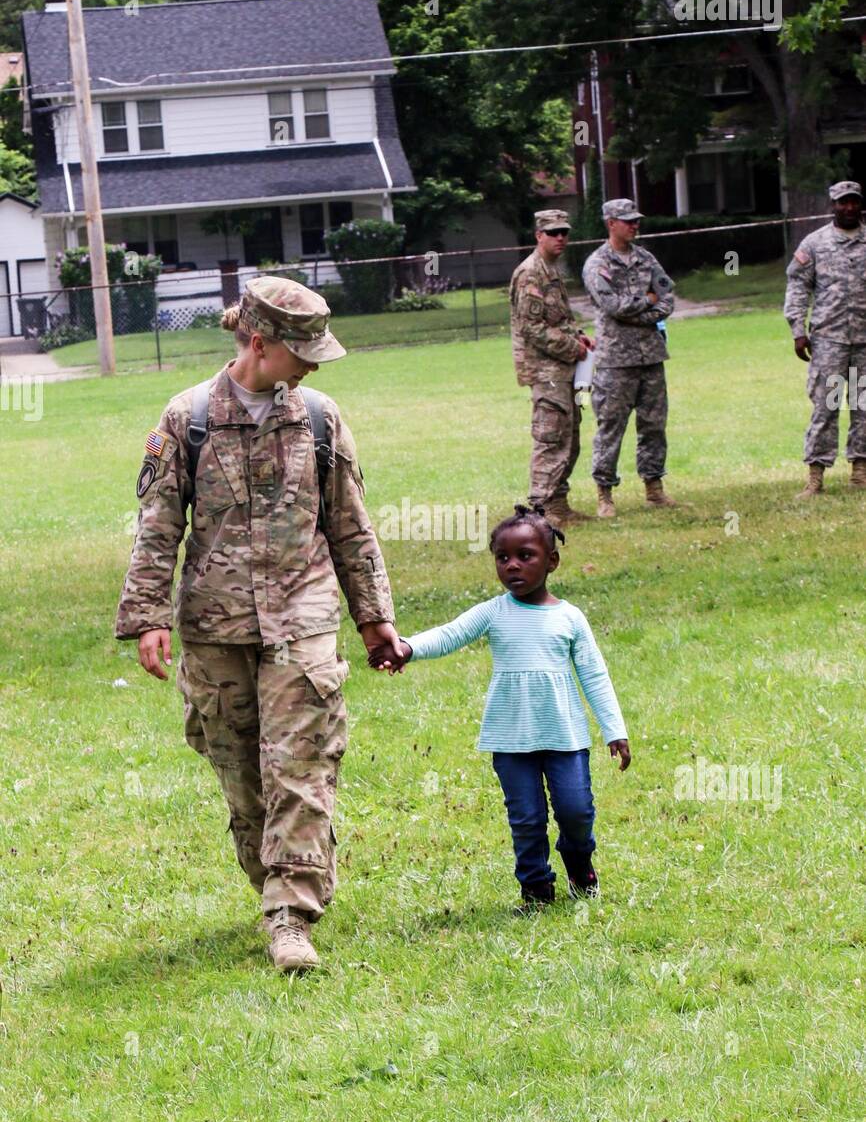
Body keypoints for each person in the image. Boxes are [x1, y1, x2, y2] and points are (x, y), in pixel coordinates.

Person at [115, 276, 402, 974]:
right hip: (216, 627)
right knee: (242, 774)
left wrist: (374, 619)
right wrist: (149, 615)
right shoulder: (188, 418)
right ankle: (271, 882)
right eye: (301, 351)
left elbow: (351, 528)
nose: (313, 364)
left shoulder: (322, 419)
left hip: (303, 620)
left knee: (300, 768)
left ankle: (290, 915)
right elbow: (158, 528)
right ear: (259, 342)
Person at [367, 504, 630, 911]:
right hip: (510, 740)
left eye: (526, 556)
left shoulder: (571, 618)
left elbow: (595, 676)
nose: (512, 566)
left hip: (566, 738)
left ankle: (580, 866)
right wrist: (406, 647)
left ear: (552, 561)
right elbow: (450, 634)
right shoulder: (494, 612)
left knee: (576, 811)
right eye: (502, 557)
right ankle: (536, 890)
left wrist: (614, 730)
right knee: (526, 820)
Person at [582, 199, 677, 517]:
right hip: (615, 360)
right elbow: (613, 307)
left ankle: (654, 488)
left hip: (650, 355)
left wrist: (649, 307)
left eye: (637, 220)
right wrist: (647, 303)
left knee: (653, 425)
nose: (635, 225)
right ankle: (605, 494)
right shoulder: (598, 264)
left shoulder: (646, 259)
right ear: (611, 223)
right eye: (628, 221)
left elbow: (667, 295)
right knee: (611, 427)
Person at [509, 209, 595, 527]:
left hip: (563, 370)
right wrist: (574, 348)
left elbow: (557, 319)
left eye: (565, 232)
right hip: (547, 372)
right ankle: (539, 511)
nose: (561, 238)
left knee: (569, 438)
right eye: (554, 232)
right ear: (539, 235)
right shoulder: (530, 272)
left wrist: (580, 337)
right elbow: (532, 328)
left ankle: (558, 504)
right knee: (550, 439)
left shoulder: (551, 270)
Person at [783, 179, 866, 497]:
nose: (848, 207)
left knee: (862, 406)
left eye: (853, 202)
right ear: (832, 205)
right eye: (842, 202)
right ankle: (816, 476)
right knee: (826, 408)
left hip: (863, 343)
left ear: (859, 204)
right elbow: (798, 286)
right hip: (829, 341)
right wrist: (797, 330)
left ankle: (860, 472)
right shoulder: (815, 244)